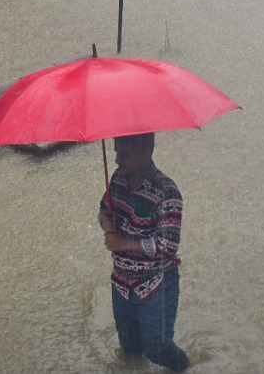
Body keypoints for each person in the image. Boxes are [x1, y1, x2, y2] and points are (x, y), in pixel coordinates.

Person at [97, 133, 189, 373]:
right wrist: (105, 220)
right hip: (121, 283)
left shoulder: (167, 192)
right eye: (116, 152)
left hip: (155, 284)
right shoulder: (118, 179)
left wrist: (122, 244)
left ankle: (185, 367)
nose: (117, 160)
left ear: (145, 154)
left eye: (124, 154)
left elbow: (167, 247)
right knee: (129, 347)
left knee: (157, 348)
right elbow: (104, 209)